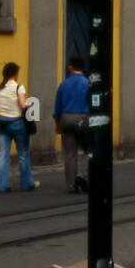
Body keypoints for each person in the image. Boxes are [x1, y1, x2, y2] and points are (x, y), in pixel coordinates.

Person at [0, 61, 38, 193]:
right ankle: (26, 183)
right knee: (23, 153)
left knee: (3, 154)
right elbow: (23, 105)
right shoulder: (19, 87)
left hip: (1, 123)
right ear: (15, 74)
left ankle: (3, 185)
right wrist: (31, 106)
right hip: (17, 123)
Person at [53, 56, 90, 194]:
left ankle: (71, 185)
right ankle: (83, 175)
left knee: (69, 154)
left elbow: (57, 106)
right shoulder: (87, 83)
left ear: (71, 66)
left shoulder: (63, 84)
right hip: (82, 118)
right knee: (89, 150)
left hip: (66, 118)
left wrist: (58, 122)